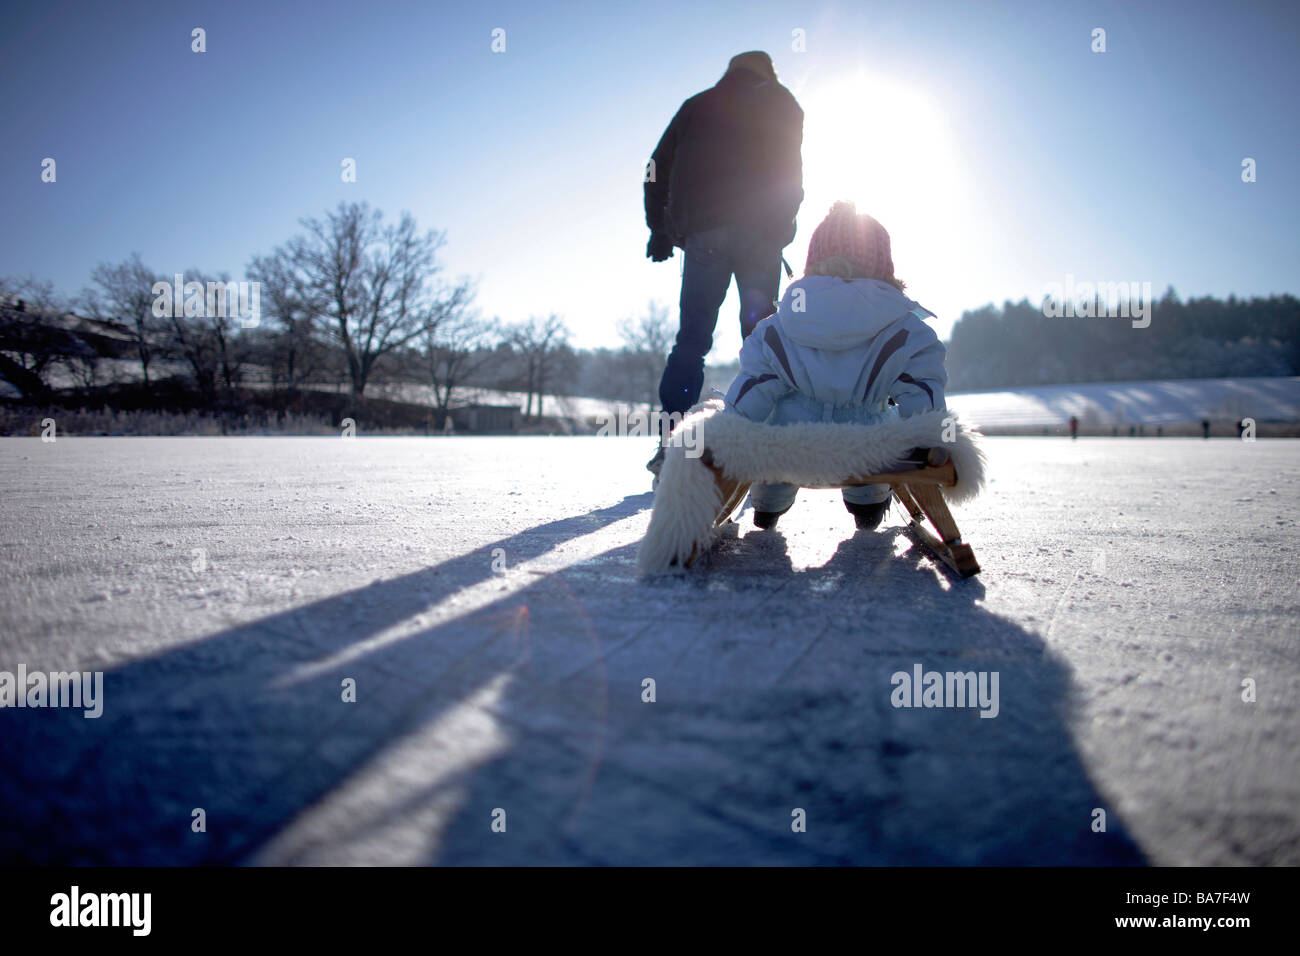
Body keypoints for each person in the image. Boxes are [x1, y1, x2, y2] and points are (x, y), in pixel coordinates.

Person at [722, 201, 948, 530]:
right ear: (884, 263)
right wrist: (929, 447)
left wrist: (727, 440)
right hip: (867, 447)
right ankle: (867, 499)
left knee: (770, 416)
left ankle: (768, 498)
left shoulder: (777, 327)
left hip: (788, 447)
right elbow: (923, 398)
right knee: (883, 419)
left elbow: (753, 389)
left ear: (814, 261)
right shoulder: (906, 329)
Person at [643, 50, 804, 475]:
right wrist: (780, 230)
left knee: (692, 340)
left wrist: (659, 228)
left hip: (705, 237)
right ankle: (765, 444)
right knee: (761, 341)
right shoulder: (784, 104)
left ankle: (671, 447)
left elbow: (654, 169)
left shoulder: (698, 105)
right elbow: (792, 178)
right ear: (768, 73)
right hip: (759, 237)